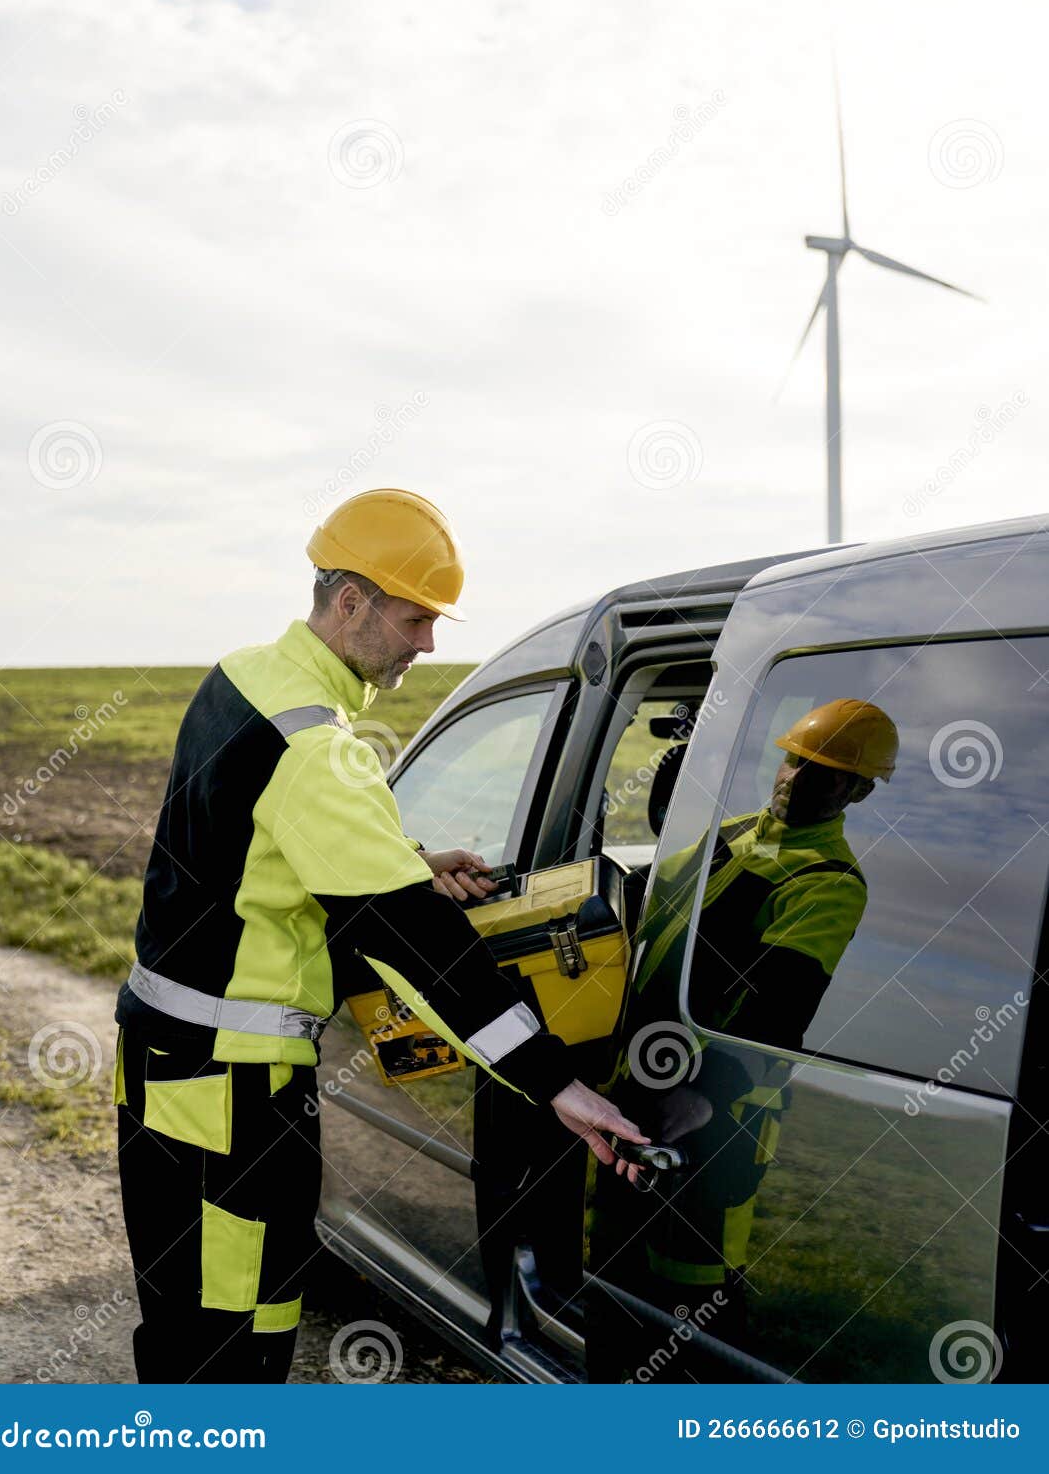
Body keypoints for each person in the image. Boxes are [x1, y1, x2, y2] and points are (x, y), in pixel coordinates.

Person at [113, 487, 648, 1382]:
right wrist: (557, 1084)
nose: (427, 644)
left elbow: (260, 843)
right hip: (231, 1090)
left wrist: (399, 857)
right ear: (350, 600)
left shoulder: (246, 677)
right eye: (414, 619)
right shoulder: (317, 749)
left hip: (167, 1063)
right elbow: (421, 947)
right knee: (230, 1347)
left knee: (184, 1319)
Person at [593, 699, 897, 1372]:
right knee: (617, 1270)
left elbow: (774, 1014)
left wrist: (697, 1097)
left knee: (691, 1295)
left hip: (718, 1113)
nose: (795, 780)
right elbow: (644, 901)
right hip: (646, 1087)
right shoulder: (733, 833)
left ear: (858, 790)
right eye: (793, 760)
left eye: (823, 773)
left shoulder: (828, 881)